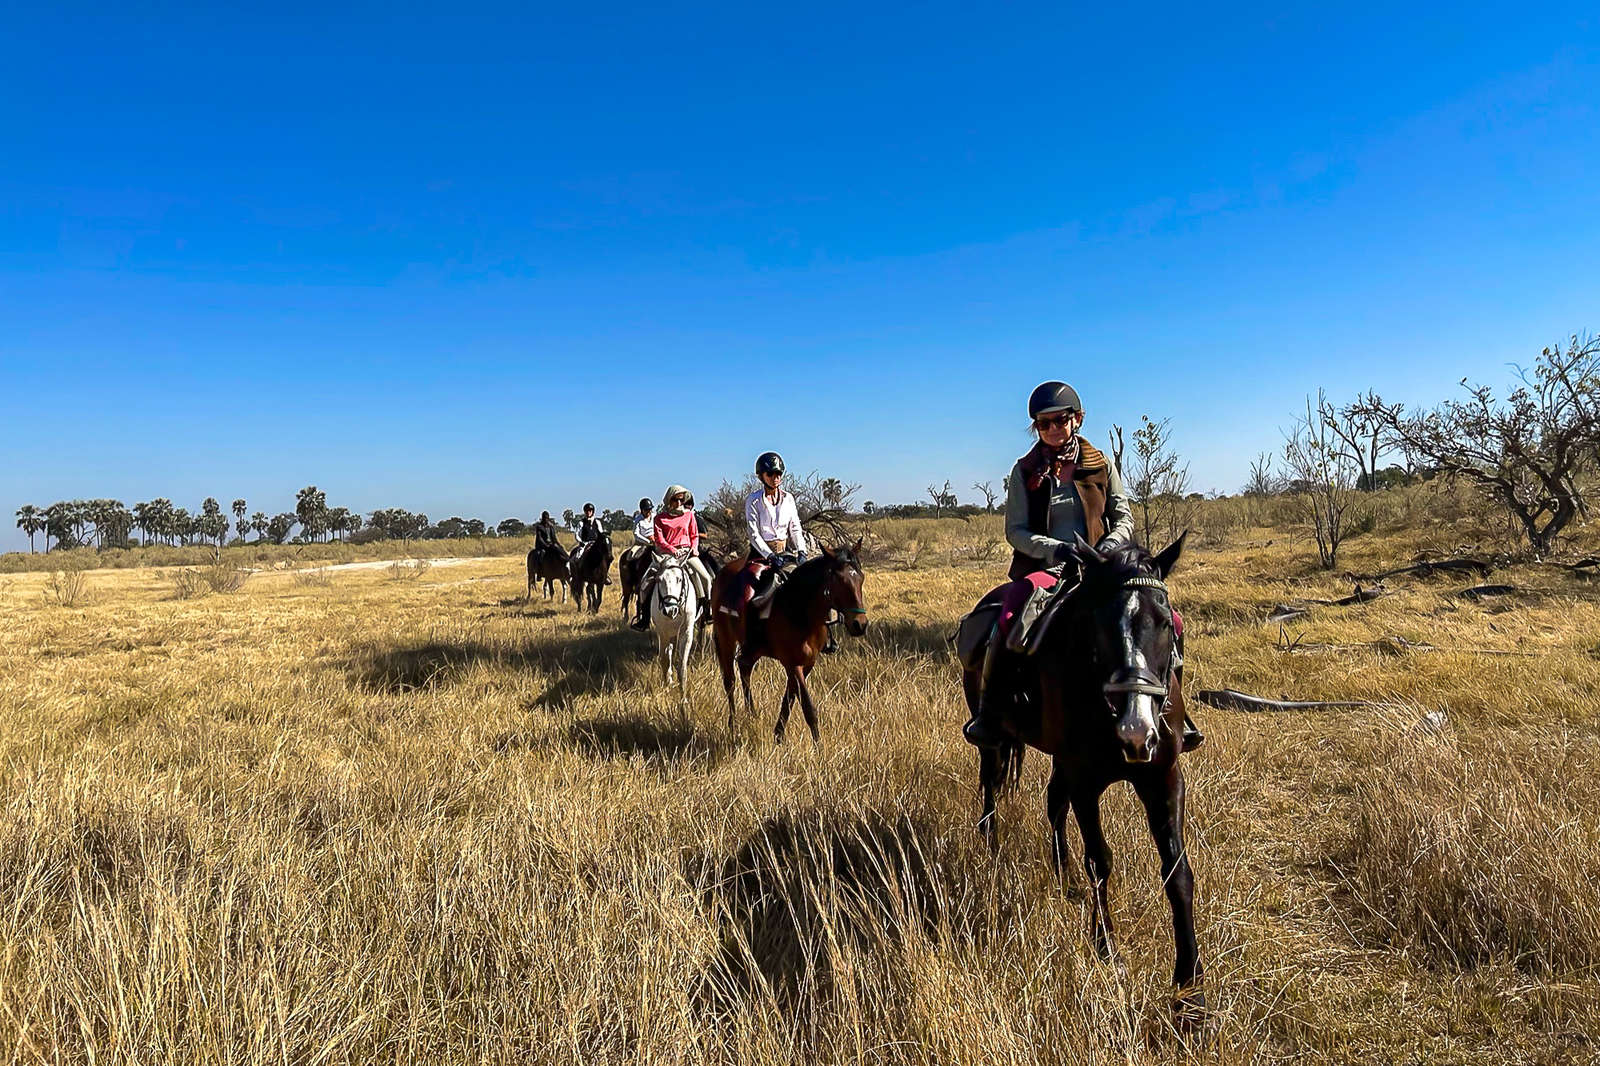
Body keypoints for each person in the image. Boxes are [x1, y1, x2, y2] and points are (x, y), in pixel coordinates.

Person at [961, 381, 1203, 750]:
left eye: (1061, 420)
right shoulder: (1023, 471)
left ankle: (1174, 712)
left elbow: (1123, 515)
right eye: (1045, 424)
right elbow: (1016, 531)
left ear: (1078, 419)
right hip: (1051, 567)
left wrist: (1108, 546)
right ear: (1037, 428)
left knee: (1171, 619)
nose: (1054, 428)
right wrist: (1056, 550)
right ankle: (991, 712)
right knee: (1013, 612)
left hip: (1104, 566)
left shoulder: (1100, 463)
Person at [630, 486, 714, 630]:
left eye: (682, 499)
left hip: (687, 553)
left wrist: (693, 548)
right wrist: (672, 550)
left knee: (706, 578)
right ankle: (644, 619)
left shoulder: (689, 515)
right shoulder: (659, 518)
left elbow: (694, 535)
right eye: (676, 499)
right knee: (645, 584)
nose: (680, 502)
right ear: (669, 499)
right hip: (665, 555)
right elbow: (660, 539)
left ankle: (707, 612)